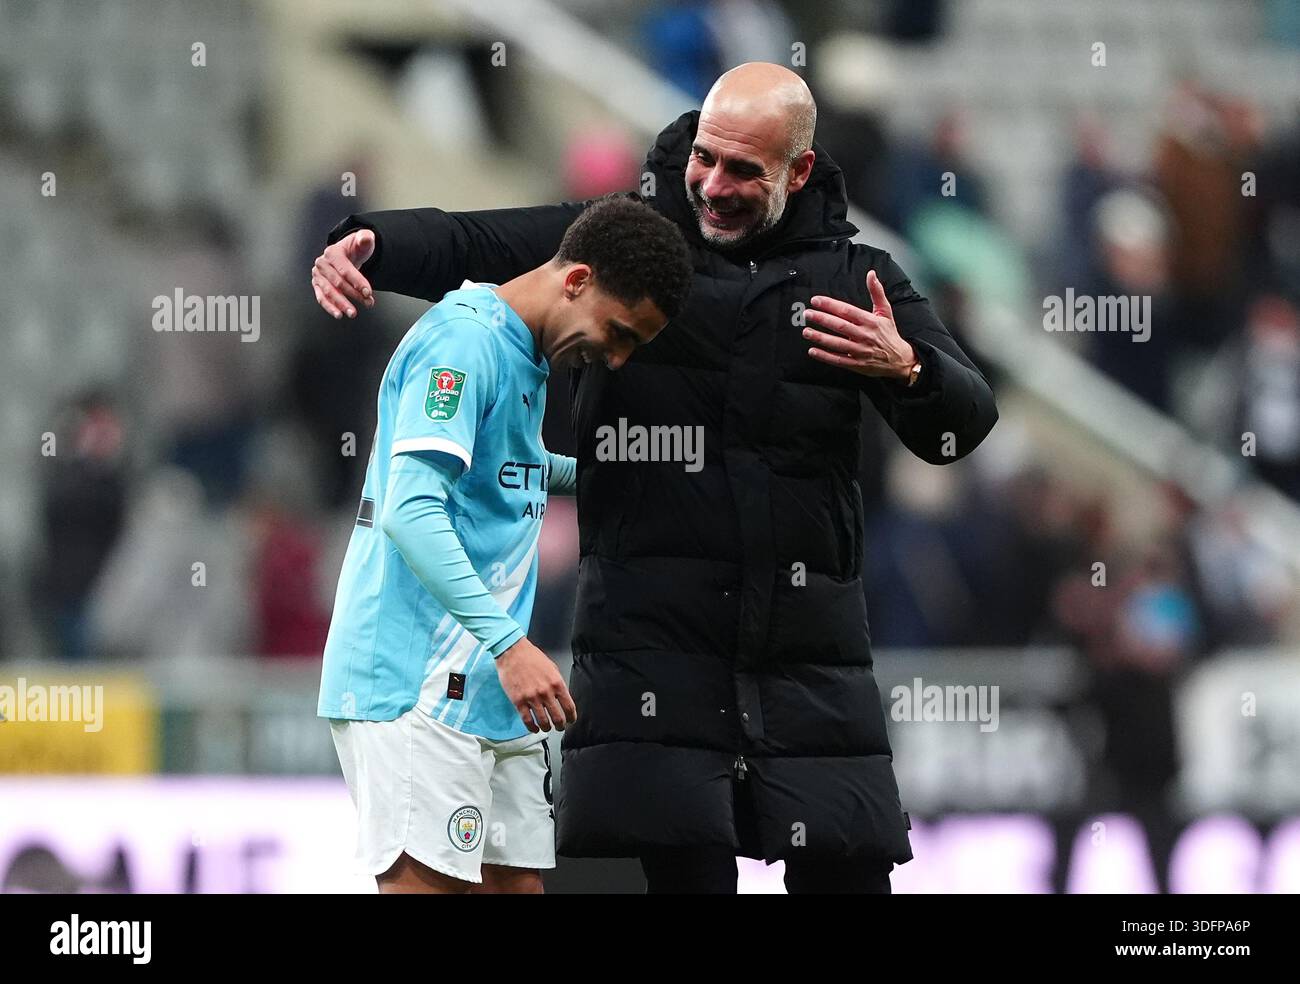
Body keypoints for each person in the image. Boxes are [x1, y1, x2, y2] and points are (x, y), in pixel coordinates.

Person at [312, 63, 999, 894]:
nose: (712, 185)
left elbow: (962, 426)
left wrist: (911, 367)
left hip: (808, 658)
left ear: (800, 171)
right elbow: (480, 242)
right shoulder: (629, 243)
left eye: (744, 170)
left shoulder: (859, 282)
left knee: (850, 878)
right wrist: (371, 245)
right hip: (653, 655)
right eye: (705, 158)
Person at [317, 195, 693, 894]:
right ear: (577, 280)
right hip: (417, 683)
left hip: (488, 690)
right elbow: (411, 509)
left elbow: (505, 470)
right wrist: (509, 645)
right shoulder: (462, 343)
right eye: (617, 332)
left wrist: (616, 480)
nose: (614, 357)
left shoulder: (525, 353)